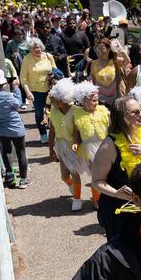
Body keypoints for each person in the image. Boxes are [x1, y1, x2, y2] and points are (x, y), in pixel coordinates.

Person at [92, 94, 141, 238]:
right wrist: (116, 193)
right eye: (135, 112)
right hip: (121, 211)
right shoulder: (109, 145)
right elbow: (97, 181)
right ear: (122, 117)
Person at [47, 79, 90, 211]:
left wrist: (76, 144)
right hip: (60, 146)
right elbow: (52, 131)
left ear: (62, 100)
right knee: (64, 176)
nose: (50, 99)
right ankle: (71, 185)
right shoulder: (53, 111)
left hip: (74, 146)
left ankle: (77, 198)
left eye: (53, 98)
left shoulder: (76, 111)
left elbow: (79, 131)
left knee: (75, 172)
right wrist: (51, 150)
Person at [19, 38, 60, 144]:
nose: (36, 49)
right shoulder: (27, 59)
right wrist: (28, 92)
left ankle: (54, 134)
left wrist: (53, 76)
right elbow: (23, 78)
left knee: (53, 113)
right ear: (30, 49)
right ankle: (43, 134)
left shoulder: (48, 56)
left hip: (50, 90)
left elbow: (55, 71)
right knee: (39, 114)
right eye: (33, 48)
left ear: (41, 47)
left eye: (38, 47)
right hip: (36, 92)